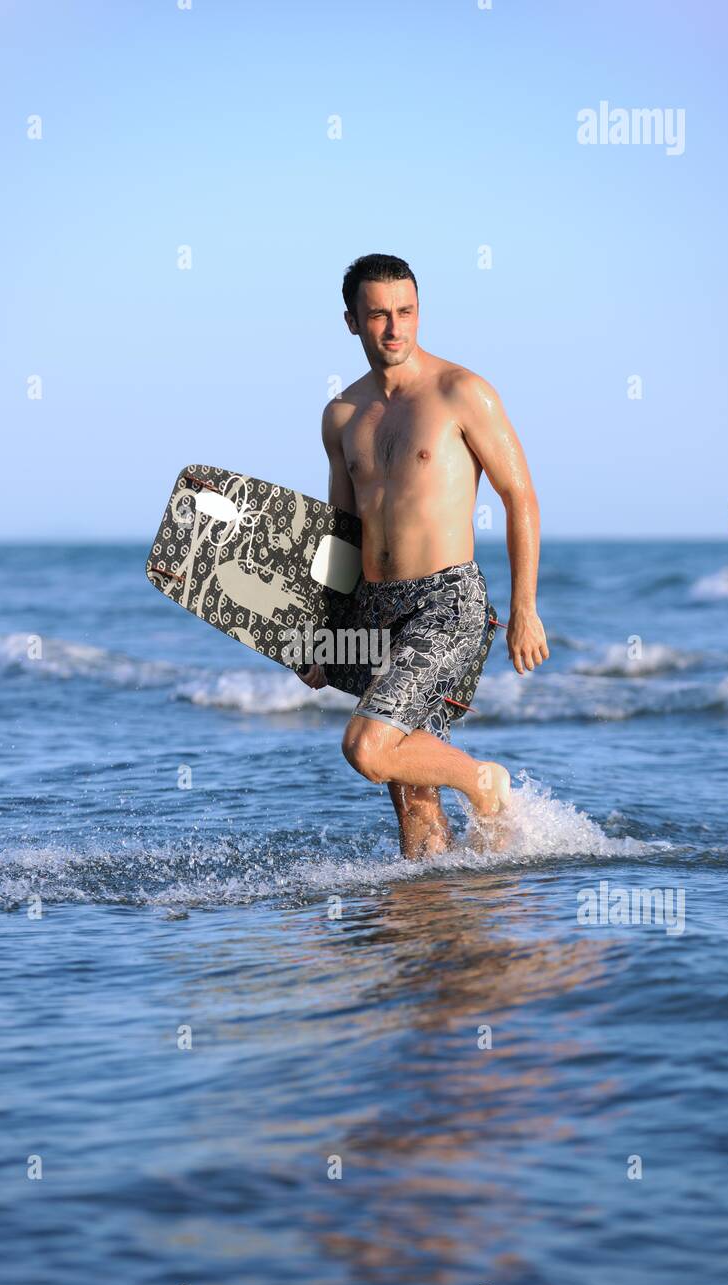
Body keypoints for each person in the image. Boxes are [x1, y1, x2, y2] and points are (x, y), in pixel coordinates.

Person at [298, 253, 548, 858]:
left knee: (367, 747)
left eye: (406, 312)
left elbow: (520, 498)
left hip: (448, 603)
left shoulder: (462, 393)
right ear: (351, 321)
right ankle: (432, 921)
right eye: (378, 315)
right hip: (375, 607)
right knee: (416, 817)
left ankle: (484, 783)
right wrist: (321, 635)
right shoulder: (341, 415)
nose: (394, 328)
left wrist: (525, 608)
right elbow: (343, 534)